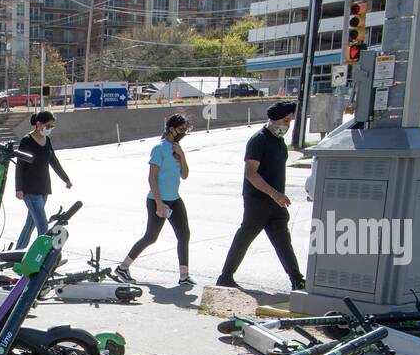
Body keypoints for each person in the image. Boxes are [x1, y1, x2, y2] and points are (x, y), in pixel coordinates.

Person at [215, 101, 306, 291]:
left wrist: (277, 196)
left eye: (289, 121)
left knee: (283, 242)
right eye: (285, 120)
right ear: (274, 119)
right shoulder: (259, 140)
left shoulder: (279, 142)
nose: (287, 124)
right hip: (258, 202)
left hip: (276, 203)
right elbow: (251, 173)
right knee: (244, 239)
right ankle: (225, 277)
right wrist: (274, 193)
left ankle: (297, 280)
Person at [113, 113, 193, 287]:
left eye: (186, 130)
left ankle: (184, 276)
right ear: (171, 129)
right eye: (181, 129)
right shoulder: (159, 149)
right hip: (157, 200)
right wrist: (159, 203)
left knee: (184, 235)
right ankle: (123, 267)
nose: (183, 133)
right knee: (151, 237)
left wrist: (182, 155)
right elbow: (152, 178)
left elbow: (185, 175)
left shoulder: (177, 149)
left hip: (175, 199)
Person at [14, 110, 72, 249]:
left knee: (30, 224)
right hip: (29, 190)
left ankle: (16, 255)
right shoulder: (26, 141)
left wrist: (66, 179)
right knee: (42, 225)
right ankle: (42, 259)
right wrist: (19, 188)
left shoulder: (47, 141)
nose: (49, 129)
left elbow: (53, 161)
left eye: (51, 127)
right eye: (47, 126)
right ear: (38, 124)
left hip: (43, 188)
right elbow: (20, 166)